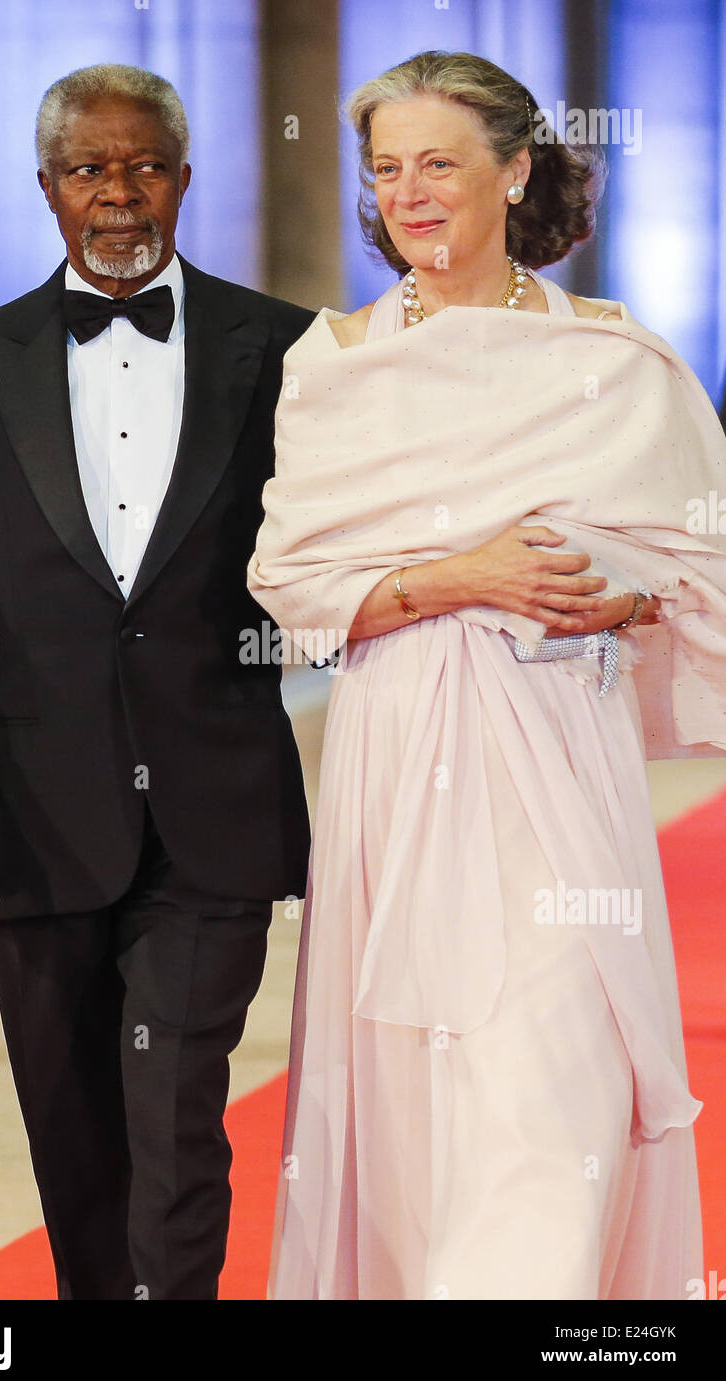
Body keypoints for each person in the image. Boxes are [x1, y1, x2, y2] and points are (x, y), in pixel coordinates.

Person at [247, 50, 726, 1300]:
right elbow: (293, 584)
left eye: (438, 164)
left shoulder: (617, 360)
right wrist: (467, 575)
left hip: (560, 748)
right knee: (415, 1100)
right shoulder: (333, 361)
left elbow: (701, 562)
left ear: (514, 172)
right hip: (400, 756)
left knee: (558, 1070)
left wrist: (618, 594)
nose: (408, 194)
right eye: (385, 169)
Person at [0, 63, 312, 1301]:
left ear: (183, 176)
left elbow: (331, 551)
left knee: (175, 1119)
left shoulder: (280, 345)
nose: (118, 194)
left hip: (213, 811)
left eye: (144, 166)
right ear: (48, 188)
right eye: (87, 170)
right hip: (37, 815)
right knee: (75, 1143)